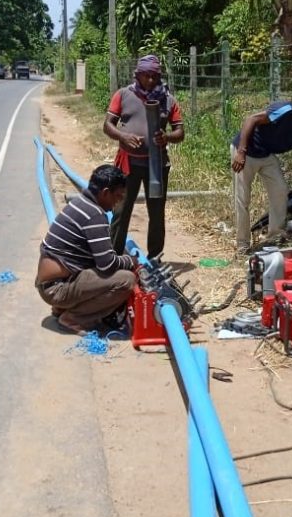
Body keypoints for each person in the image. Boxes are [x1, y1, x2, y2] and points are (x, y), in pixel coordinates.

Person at [35, 164, 138, 333]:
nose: (117, 202)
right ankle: (73, 319)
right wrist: (131, 261)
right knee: (126, 280)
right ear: (105, 192)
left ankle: (62, 308)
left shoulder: (81, 202)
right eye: (117, 196)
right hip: (56, 288)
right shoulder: (94, 215)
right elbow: (107, 264)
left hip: (50, 283)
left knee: (111, 268)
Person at [103, 54, 184, 259]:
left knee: (156, 213)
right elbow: (107, 125)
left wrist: (167, 137)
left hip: (156, 166)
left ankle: (154, 258)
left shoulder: (168, 99)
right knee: (121, 210)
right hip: (128, 163)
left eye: (154, 76)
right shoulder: (123, 95)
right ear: (137, 75)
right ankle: (115, 255)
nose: (150, 80)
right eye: (146, 76)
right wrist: (123, 136)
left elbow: (180, 132)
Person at [231, 101, 292, 253]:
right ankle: (243, 245)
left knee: (280, 191)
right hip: (246, 151)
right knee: (243, 198)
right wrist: (241, 151)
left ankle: (274, 238)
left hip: (266, 154)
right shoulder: (289, 110)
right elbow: (251, 119)